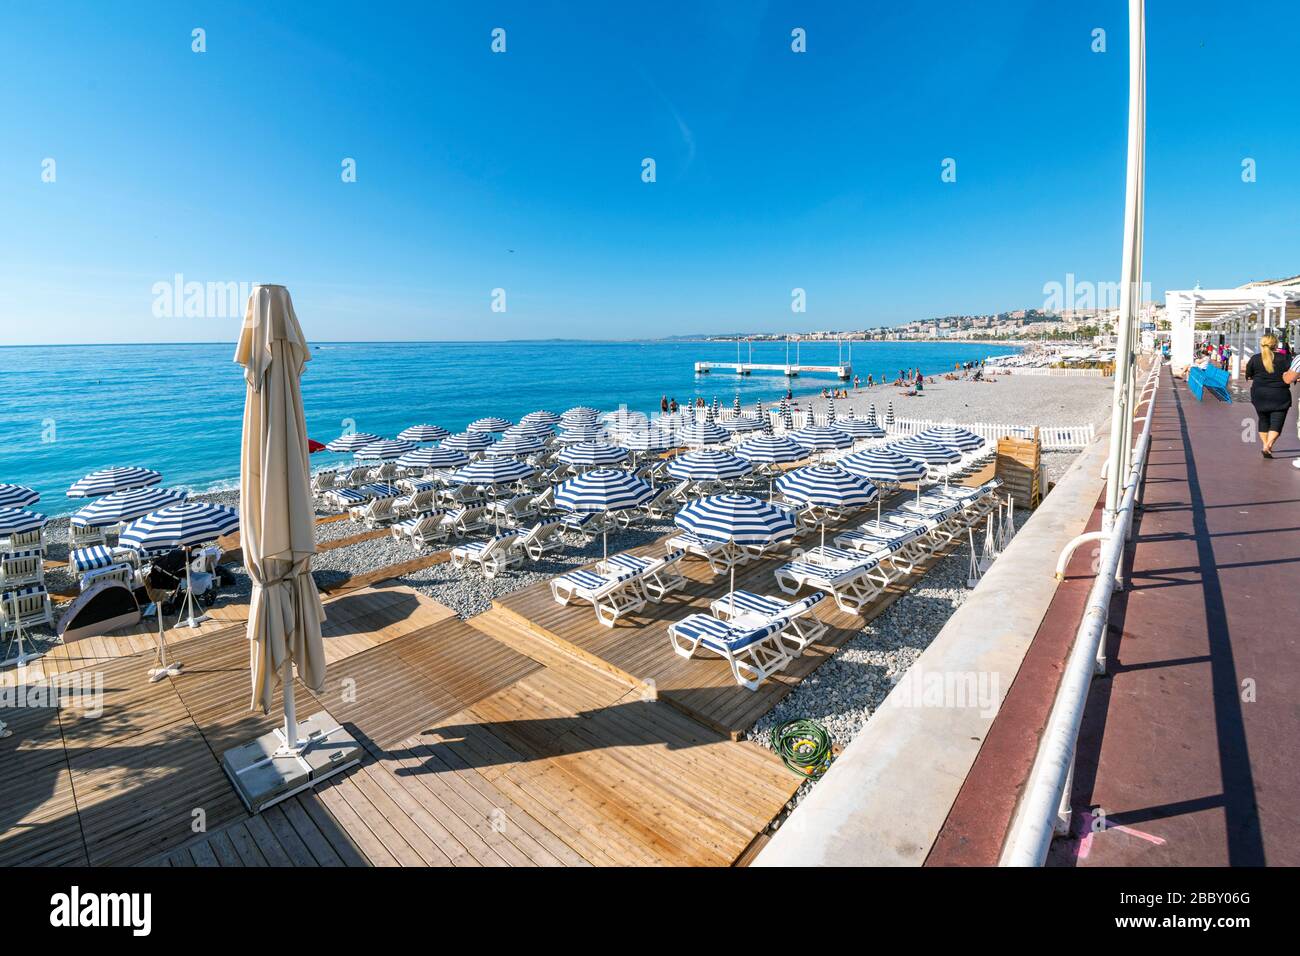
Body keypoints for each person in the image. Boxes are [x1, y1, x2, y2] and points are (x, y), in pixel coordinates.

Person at [1245, 334, 1291, 458]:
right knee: (1277, 423)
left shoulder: (1255, 358)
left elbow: (1248, 374)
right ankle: (1268, 446)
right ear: (1276, 344)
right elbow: (1292, 374)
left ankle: (1265, 445)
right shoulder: (1285, 358)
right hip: (1280, 394)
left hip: (1259, 394)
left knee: (1263, 420)